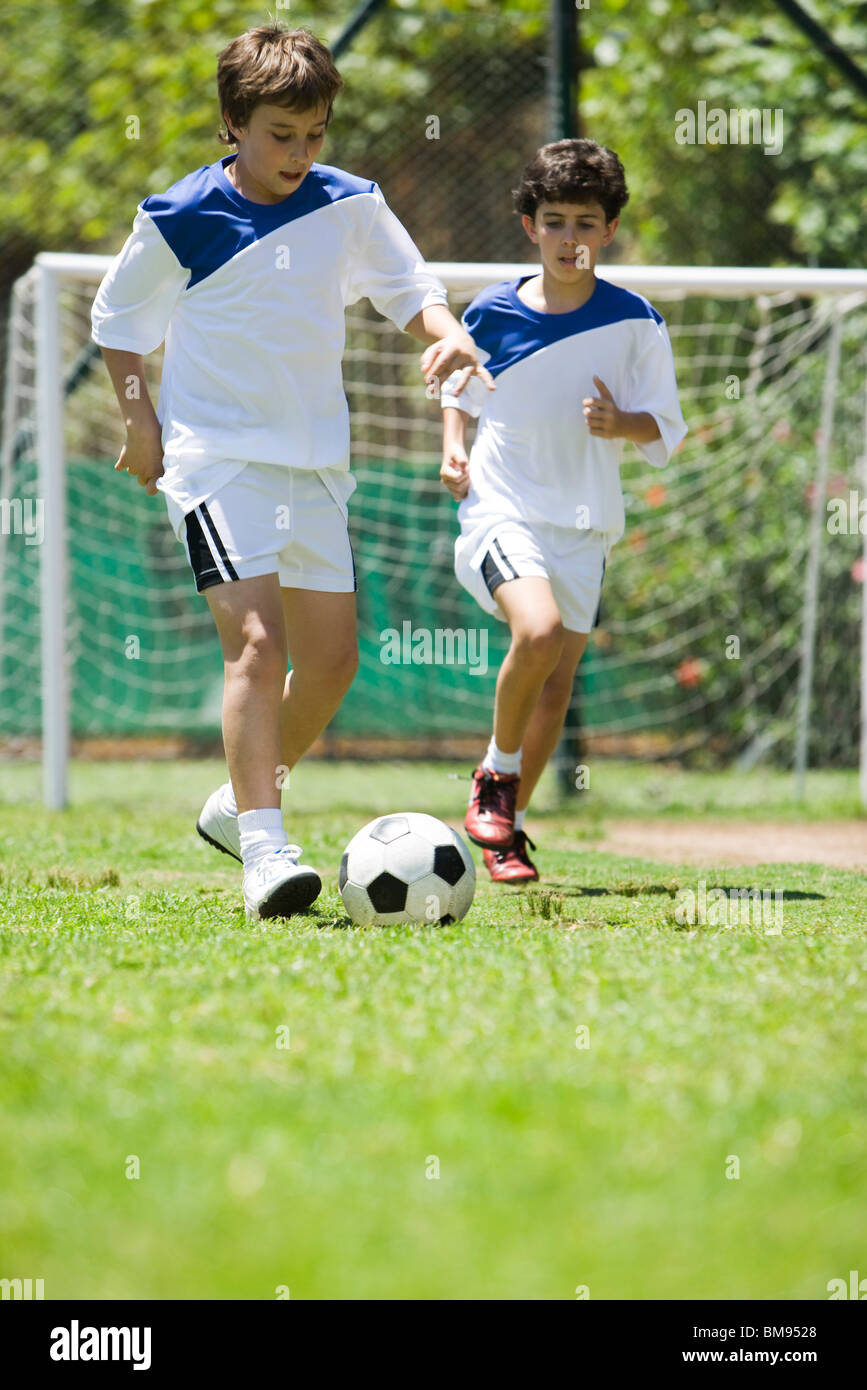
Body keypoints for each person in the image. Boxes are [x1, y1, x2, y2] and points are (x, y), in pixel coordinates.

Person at [91, 22, 493, 921]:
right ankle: (266, 853)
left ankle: (237, 806)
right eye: (282, 134)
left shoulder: (347, 202)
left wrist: (449, 337)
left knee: (334, 663)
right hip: (214, 458)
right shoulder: (180, 216)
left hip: (315, 462)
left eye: (315, 134)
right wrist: (140, 421)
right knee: (257, 645)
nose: (301, 153)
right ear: (234, 121)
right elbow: (117, 323)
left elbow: (411, 293)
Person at [439, 139, 686, 883]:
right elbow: (460, 390)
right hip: (501, 508)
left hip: (585, 524)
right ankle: (493, 778)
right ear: (528, 226)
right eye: (554, 221)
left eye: (585, 222)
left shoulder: (636, 322)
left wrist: (623, 425)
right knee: (537, 631)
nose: (569, 238)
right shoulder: (490, 311)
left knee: (555, 686)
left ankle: (503, 826)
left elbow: (664, 430)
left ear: (608, 230)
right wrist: (454, 448)